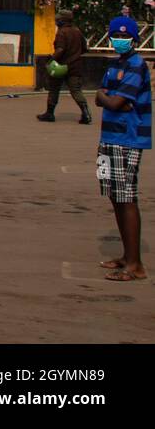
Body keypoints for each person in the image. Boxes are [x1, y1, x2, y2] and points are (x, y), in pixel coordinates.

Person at [94, 15, 150, 282]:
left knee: (126, 197)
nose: (120, 40)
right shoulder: (115, 64)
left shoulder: (137, 65)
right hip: (109, 137)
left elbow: (115, 103)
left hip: (127, 139)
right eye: (116, 36)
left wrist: (109, 99)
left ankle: (135, 264)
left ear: (135, 39)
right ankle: (127, 257)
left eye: (126, 37)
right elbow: (102, 96)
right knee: (114, 195)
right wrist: (109, 98)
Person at [38, 9, 91, 124]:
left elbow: (60, 49)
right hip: (75, 66)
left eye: (58, 19)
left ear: (62, 20)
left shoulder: (62, 32)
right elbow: (85, 48)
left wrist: (51, 60)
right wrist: (75, 55)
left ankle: (50, 113)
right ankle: (86, 113)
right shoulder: (77, 31)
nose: (56, 20)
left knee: (54, 89)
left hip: (60, 66)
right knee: (76, 90)